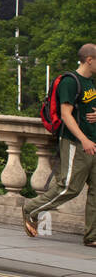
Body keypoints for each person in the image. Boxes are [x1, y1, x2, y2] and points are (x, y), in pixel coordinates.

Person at [24, 43, 96, 247]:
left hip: (93, 142)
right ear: (89, 60)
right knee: (69, 188)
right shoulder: (70, 82)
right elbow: (66, 115)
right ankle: (31, 209)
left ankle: (92, 236)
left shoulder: (91, 83)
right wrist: (84, 139)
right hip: (76, 143)